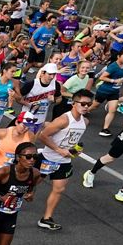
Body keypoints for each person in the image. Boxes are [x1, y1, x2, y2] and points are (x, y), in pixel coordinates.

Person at [35, 90, 93, 231]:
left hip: (64, 161)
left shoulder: (85, 121)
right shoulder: (63, 120)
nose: (86, 107)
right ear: (74, 103)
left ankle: (46, 218)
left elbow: (72, 140)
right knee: (31, 184)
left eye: (89, 104)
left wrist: (76, 150)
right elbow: (42, 136)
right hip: (48, 158)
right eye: (83, 103)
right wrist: (58, 150)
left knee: (59, 189)